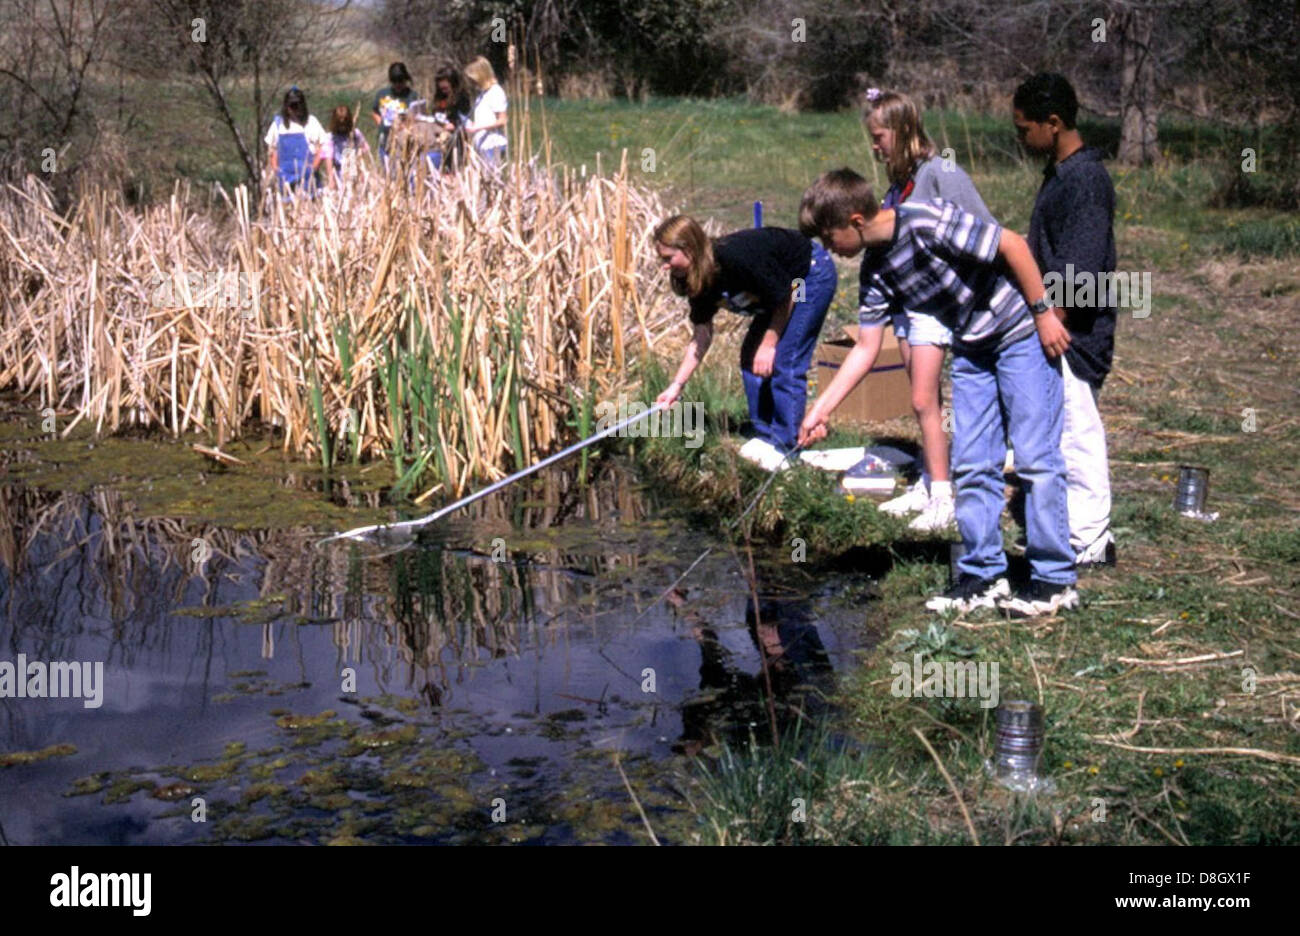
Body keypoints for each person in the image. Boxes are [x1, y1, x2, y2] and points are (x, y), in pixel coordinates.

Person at [797, 169, 1077, 618]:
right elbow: (867, 347)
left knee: (1034, 456)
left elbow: (1012, 244)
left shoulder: (925, 220)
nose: (828, 249)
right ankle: (984, 574)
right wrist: (820, 409)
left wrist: (1043, 312)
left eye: (829, 239)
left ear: (854, 220)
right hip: (971, 346)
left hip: (1018, 332)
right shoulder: (874, 273)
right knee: (971, 460)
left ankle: (1054, 581)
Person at [863, 88, 996, 533]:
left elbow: (984, 229)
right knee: (923, 400)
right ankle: (929, 477)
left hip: (939, 301)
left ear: (901, 131)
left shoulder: (941, 172)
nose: (875, 146)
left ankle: (944, 495)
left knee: (924, 399)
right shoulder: (897, 183)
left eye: (879, 136)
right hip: (907, 301)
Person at [1014, 73, 1118, 570]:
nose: (1021, 138)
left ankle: (1093, 539)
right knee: (1059, 431)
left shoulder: (1086, 181)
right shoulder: (1059, 175)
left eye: (1024, 128)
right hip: (1053, 323)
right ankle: (1068, 528)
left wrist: (1051, 321)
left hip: (1075, 332)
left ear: (1052, 124)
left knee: (1079, 434)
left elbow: (1082, 266)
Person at [653, 215, 837, 469]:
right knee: (751, 356)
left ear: (688, 250)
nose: (664, 266)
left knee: (787, 359)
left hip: (804, 278)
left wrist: (770, 343)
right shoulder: (699, 280)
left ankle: (788, 448)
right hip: (780, 295)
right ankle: (766, 436)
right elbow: (701, 337)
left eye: (667, 258)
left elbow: (787, 296)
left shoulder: (735, 258)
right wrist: (676, 386)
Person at [265, 87, 327, 197]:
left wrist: (314, 167)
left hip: (308, 179)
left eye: (297, 105)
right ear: (286, 106)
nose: (294, 109)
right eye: (291, 105)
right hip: (285, 180)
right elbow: (272, 149)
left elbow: (323, 147)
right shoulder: (278, 125)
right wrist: (276, 169)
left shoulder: (311, 122)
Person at [463, 56, 508, 169]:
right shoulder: (482, 93)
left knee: (491, 180)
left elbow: (502, 120)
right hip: (482, 145)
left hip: (493, 145)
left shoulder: (496, 92)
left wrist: (478, 127)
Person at [371, 62, 416, 169]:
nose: (398, 85)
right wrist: (380, 123)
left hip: (404, 142)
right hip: (385, 140)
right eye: (394, 81)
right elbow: (374, 111)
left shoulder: (412, 96)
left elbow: (417, 116)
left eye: (400, 81)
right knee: (387, 171)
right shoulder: (382, 94)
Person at [429, 64, 470, 173]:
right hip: (439, 138)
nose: (443, 90)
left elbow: (465, 119)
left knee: (454, 171)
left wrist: (453, 125)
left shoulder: (462, 97)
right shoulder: (439, 97)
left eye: (445, 88)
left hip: (456, 141)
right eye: (441, 88)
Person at [320, 105, 370, 186]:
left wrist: (362, 172)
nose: (342, 127)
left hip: (354, 170)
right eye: (339, 125)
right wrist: (331, 179)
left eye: (344, 124)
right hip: (339, 172)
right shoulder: (331, 137)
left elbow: (364, 152)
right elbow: (328, 158)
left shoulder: (355, 134)